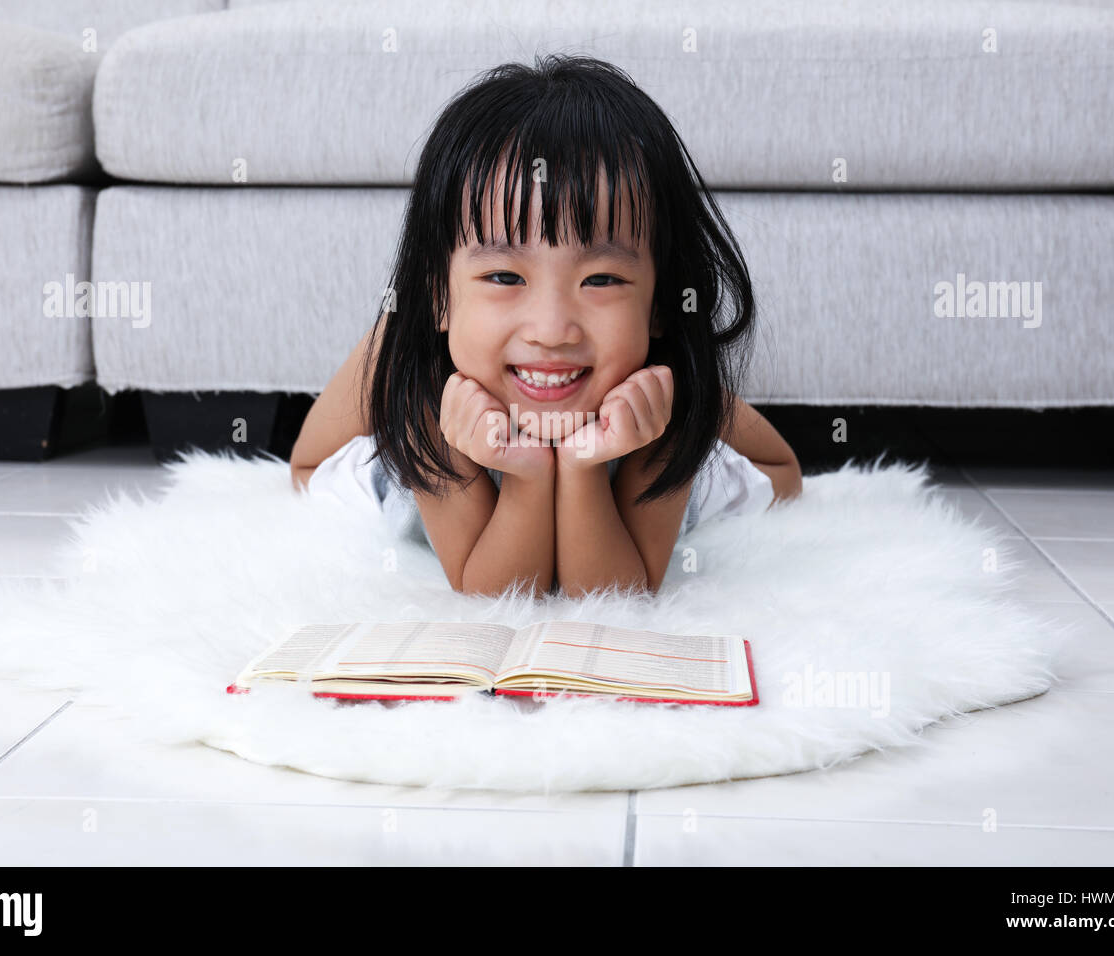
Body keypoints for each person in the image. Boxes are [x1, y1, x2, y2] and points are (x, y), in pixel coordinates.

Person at [290, 54, 801, 598]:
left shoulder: (660, 403)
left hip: (629, 416)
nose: (553, 329)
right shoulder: (431, 400)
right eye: (506, 275)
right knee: (322, 458)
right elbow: (493, 590)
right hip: (416, 403)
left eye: (601, 280)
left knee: (743, 460)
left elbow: (612, 596)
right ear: (439, 295)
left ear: (657, 306)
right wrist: (527, 474)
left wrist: (582, 467)